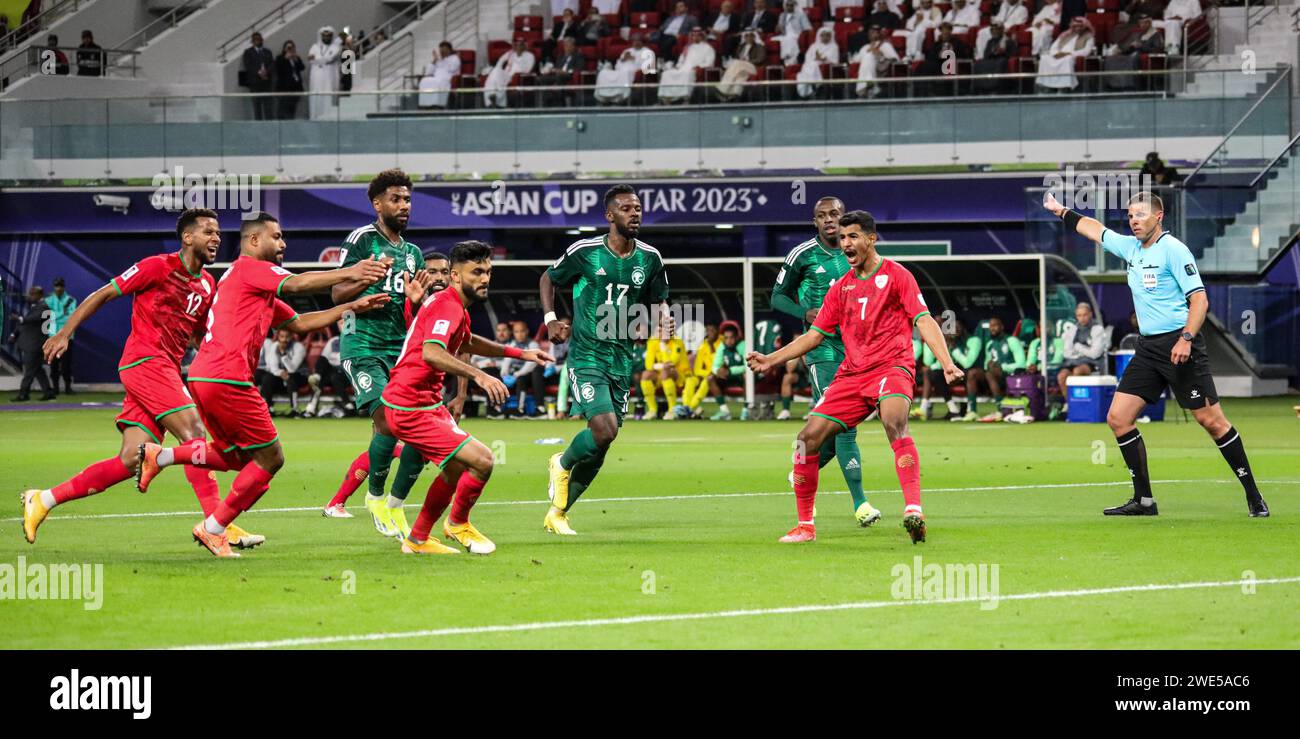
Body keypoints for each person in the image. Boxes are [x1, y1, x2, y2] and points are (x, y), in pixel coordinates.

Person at [134, 212, 391, 557]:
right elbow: (299, 284)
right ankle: (213, 528)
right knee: (271, 457)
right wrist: (352, 272)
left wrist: (351, 307)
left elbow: (299, 323)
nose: (283, 244)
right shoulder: (250, 269)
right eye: (277, 237)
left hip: (204, 376)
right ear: (254, 241)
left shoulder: (246, 282)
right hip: (228, 378)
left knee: (236, 455)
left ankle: (161, 456)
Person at [22, 210, 264, 548]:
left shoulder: (207, 285)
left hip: (163, 369)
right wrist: (65, 332)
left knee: (130, 459)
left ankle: (43, 499)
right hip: (145, 362)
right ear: (187, 237)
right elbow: (105, 293)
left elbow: (197, 336)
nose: (216, 238)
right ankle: (216, 525)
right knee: (193, 432)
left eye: (218, 232)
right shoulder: (157, 266)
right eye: (208, 231)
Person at [1044, 190, 1268, 518]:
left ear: (1158, 217)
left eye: (1140, 215)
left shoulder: (1174, 251)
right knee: (1118, 419)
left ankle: (1254, 496)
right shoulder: (1131, 247)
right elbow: (1095, 229)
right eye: (1130, 215)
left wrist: (1187, 338)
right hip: (1148, 349)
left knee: (1212, 422)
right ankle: (1144, 501)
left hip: (1180, 345)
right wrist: (1061, 210)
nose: (1133, 220)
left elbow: (1200, 301)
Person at [748, 211, 961, 544]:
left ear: (871, 239)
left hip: (892, 367)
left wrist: (945, 362)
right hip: (852, 374)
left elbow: (923, 320)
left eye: (853, 237)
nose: (846, 243)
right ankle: (805, 526)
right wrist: (770, 359)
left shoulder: (897, 275)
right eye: (843, 238)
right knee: (807, 440)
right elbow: (814, 335)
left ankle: (913, 509)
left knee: (894, 421)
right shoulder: (841, 287)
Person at [382, 241, 554, 555]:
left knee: (455, 469)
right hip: (410, 406)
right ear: (455, 276)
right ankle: (457, 523)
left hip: (422, 403)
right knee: (483, 460)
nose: (485, 278)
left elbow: (467, 341)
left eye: (488, 271)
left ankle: (417, 540)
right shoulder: (448, 304)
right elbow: (431, 352)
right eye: (477, 272)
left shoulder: (451, 303)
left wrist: (519, 352)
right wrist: (479, 375)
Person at [540, 184, 670, 536]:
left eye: (639, 208)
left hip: (621, 359)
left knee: (603, 442)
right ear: (610, 215)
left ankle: (559, 512)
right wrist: (551, 319)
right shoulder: (586, 252)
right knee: (604, 428)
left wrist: (662, 319)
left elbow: (658, 301)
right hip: (586, 355)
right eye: (627, 208)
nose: (635, 213)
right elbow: (548, 278)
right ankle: (561, 461)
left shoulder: (650, 259)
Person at [320, 170, 429, 533]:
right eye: (396, 199)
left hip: (400, 350)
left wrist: (419, 300)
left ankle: (380, 500)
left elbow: (414, 310)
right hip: (362, 343)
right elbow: (336, 295)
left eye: (407, 199)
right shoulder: (362, 240)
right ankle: (377, 498)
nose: (403, 206)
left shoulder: (412, 253)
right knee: (387, 419)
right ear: (377, 203)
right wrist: (363, 281)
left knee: (405, 430)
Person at [770, 197, 879, 525]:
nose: (829, 220)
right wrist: (804, 312)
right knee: (846, 428)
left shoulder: (859, 255)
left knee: (833, 431)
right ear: (814, 222)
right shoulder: (802, 255)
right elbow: (777, 296)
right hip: (822, 351)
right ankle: (861, 505)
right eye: (822, 216)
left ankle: (801, 472)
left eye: (835, 214)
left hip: (858, 351)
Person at [959, 316, 1024, 420]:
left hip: (1009, 376)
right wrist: (989, 366)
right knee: (973, 373)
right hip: (991, 377)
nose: (992, 328)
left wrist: (1002, 366)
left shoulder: (1012, 340)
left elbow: (1021, 363)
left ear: (1002, 327)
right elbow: (986, 365)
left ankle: (1001, 410)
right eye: (990, 326)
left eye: (995, 325)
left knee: (990, 373)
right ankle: (972, 411)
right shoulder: (990, 344)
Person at [920, 320, 981, 419]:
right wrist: (935, 344)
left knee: (969, 373)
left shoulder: (973, 340)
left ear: (963, 328)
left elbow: (967, 364)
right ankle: (952, 409)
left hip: (972, 375)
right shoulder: (947, 341)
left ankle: (971, 410)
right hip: (955, 376)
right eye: (952, 329)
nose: (954, 330)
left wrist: (954, 347)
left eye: (957, 327)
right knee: (933, 373)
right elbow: (931, 363)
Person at [641, 317, 695, 419]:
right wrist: (661, 366)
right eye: (660, 329)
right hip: (661, 374)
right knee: (646, 374)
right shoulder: (652, 341)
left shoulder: (677, 342)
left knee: (666, 371)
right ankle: (652, 410)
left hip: (680, 375)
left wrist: (662, 344)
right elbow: (648, 365)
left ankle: (672, 410)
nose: (661, 333)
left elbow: (672, 363)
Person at [10, 286, 54, 402]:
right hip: (31, 344)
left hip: (36, 344)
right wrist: (14, 334)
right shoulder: (34, 307)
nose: (30, 296)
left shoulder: (44, 308)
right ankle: (48, 392)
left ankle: (23, 394)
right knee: (37, 369)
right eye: (30, 293)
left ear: (40, 295)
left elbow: (33, 319)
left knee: (29, 370)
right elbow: (25, 322)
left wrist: (20, 318)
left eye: (33, 294)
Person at [1056, 302, 1107, 401]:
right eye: (1079, 315)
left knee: (1078, 371)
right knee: (1062, 375)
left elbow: (1095, 354)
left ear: (1090, 314)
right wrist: (1084, 350)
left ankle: (1079, 401)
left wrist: (1078, 347)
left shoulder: (1097, 329)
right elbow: (1067, 352)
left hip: (1093, 363)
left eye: (1085, 315)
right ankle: (1070, 404)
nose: (1082, 318)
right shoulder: (1073, 329)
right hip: (1074, 361)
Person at [501, 320, 547, 417]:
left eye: (522, 331)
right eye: (516, 332)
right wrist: (504, 374)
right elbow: (506, 361)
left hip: (530, 375)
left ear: (527, 331)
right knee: (520, 379)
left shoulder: (533, 344)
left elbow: (530, 365)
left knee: (535, 372)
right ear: (513, 333)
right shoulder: (511, 344)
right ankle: (520, 410)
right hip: (518, 376)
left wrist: (517, 374)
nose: (520, 334)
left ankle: (540, 408)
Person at [657, 27, 714, 104]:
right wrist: (677, 66)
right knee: (666, 74)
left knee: (687, 75)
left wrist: (699, 66)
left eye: (697, 35)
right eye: (693, 35)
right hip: (682, 69)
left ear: (701, 36)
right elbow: (681, 60)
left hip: (694, 70)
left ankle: (685, 98)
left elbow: (709, 62)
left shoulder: (708, 48)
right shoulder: (687, 47)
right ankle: (666, 98)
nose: (695, 37)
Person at [1037, 16, 1094, 92]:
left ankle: (1063, 87)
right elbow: (1053, 47)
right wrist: (1056, 54)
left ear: (1085, 27)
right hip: (1059, 55)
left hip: (1072, 56)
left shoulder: (1089, 36)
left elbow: (1086, 51)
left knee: (1067, 59)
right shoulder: (1065, 34)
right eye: (1075, 26)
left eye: (1080, 26)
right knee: (1044, 58)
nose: (1078, 28)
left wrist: (1068, 53)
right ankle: (1047, 85)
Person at [259, 328, 308, 415]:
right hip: (282, 375)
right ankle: (269, 408)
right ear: (278, 337)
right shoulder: (274, 346)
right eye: (282, 337)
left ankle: (295, 409)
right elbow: (273, 367)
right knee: (267, 378)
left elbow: (292, 369)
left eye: (287, 337)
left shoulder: (299, 347)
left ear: (292, 336)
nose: (284, 340)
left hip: (299, 375)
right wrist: (280, 373)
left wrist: (282, 353)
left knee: (291, 377)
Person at [705, 322, 746, 419]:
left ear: (737, 337)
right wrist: (718, 371)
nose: (728, 341)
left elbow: (748, 366)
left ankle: (746, 410)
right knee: (710, 378)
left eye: (731, 337)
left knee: (747, 375)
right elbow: (715, 366)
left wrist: (731, 371)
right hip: (728, 377)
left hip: (741, 377)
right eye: (726, 338)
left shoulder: (743, 345)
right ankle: (724, 411)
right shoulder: (722, 346)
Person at [44, 277, 76, 394]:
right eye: (56, 286)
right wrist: (62, 313)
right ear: (54, 287)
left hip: (67, 337)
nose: (58, 288)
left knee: (66, 366)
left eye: (60, 286)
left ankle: (68, 388)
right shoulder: (48, 300)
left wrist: (55, 315)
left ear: (63, 287)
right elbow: (46, 316)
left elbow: (71, 318)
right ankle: (55, 388)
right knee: (53, 365)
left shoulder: (71, 300)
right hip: (52, 337)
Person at [483, 38, 536, 108]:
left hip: (516, 76)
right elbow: (500, 62)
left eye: (520, 45)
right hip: (506, 74)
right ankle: (491, 98)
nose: (517, 46)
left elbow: (528, 70)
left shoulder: (529, 55)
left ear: (524, 46)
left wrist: (518, 58)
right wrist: (498, 69)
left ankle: (499, 102)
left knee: (499, 79)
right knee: (495, 71)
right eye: (516, 44)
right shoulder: (510, 53)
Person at [538, 37, 586, 107]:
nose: (567, 48)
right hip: (558, 75)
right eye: (565, 45)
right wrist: (552, 70)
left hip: (569, 76)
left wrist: (565, 71)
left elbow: (580, 68)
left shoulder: (579, 56)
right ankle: (547, 101)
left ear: (574, 46)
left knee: (559, 77)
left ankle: (558, 101)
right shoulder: (560, 56)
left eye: (569, 45)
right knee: (543, 78)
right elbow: (557, 67)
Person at [854, 25, 899, 98]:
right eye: (870, 32)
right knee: (867, 57)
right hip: (866, 72)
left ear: (879, 34)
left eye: (875, 32)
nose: (872, 34)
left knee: (869, 56)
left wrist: (879, 53)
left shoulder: (885, 45)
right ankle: (870, 86)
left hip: (881, 71)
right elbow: (855, 60)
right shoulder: (865, 47)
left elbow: (895, 60)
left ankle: (863, 89)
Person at [719, 29, 765, 100]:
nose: (748, 38)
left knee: (737, 64)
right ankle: (735, 94)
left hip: (753, 67)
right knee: (741, 75)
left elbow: (760, 59)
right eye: (746, 36)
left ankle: (723, 89)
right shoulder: (741, 46)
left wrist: (747, 61)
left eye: (750, 36)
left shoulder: (759, 46)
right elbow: (737, 57)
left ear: (754, 37)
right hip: (741, 68)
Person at [307, 26, 342, 119]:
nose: (326, 38)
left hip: (329, 76)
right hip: (317, 77)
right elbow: (310, 58)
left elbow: (331, 59)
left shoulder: (336, 47)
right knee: (317, 97)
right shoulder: (314, 47)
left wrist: (318, 60)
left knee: (328, 96)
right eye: (324, 36)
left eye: (329, 36)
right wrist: (322, 60)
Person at [796, 27, 839, 99]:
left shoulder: (834, 46)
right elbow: (808, 57)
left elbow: (834, 59)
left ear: (830, 36)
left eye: (827, 35)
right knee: (810, 65)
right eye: (823, 35)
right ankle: (810, 88)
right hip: (812, 64)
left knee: (814, 65)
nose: (825, 37)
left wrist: (823, 59)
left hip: (824, 65)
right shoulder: (813, 46)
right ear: (820, 36)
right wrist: (816, 58)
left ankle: (814, 87)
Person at [241, 32, 274, 120]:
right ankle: (258, 123)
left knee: (268, 106)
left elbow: (272, 64)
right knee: (257, 106)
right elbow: (248, 66)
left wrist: (266, 72)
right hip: (255, 83)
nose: (258, 41)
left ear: (262, 40)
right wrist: (259, 72)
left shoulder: (267, 52)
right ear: (252, 41)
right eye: (255, 39)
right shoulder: (248, 52)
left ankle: (268, 123)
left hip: (266, 82)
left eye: (259, 39)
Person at [274, 40, 305, 120]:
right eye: (288, 47)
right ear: (284, 49)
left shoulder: (296, 57)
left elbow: (302, 67)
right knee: (282, 110)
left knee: (291, 110)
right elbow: (278, 69)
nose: (290, 49)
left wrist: (296, 59)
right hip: (284, 89)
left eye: (292, 47)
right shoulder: (280, 58)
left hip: (295, 88)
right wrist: (285, 59)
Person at [776, 0, 813, 64]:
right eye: (787, 5)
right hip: (785, 35)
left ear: (795, 6)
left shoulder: (801, 15)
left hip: (796, 34)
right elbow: (778, 29)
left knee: (789, 40)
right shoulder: (782, 15)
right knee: (773, 39)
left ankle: (788, 59)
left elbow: (808, 28)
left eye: (791, 5)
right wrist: (778, 27)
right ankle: (784, 59)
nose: (789, 7)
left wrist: (803, 34)